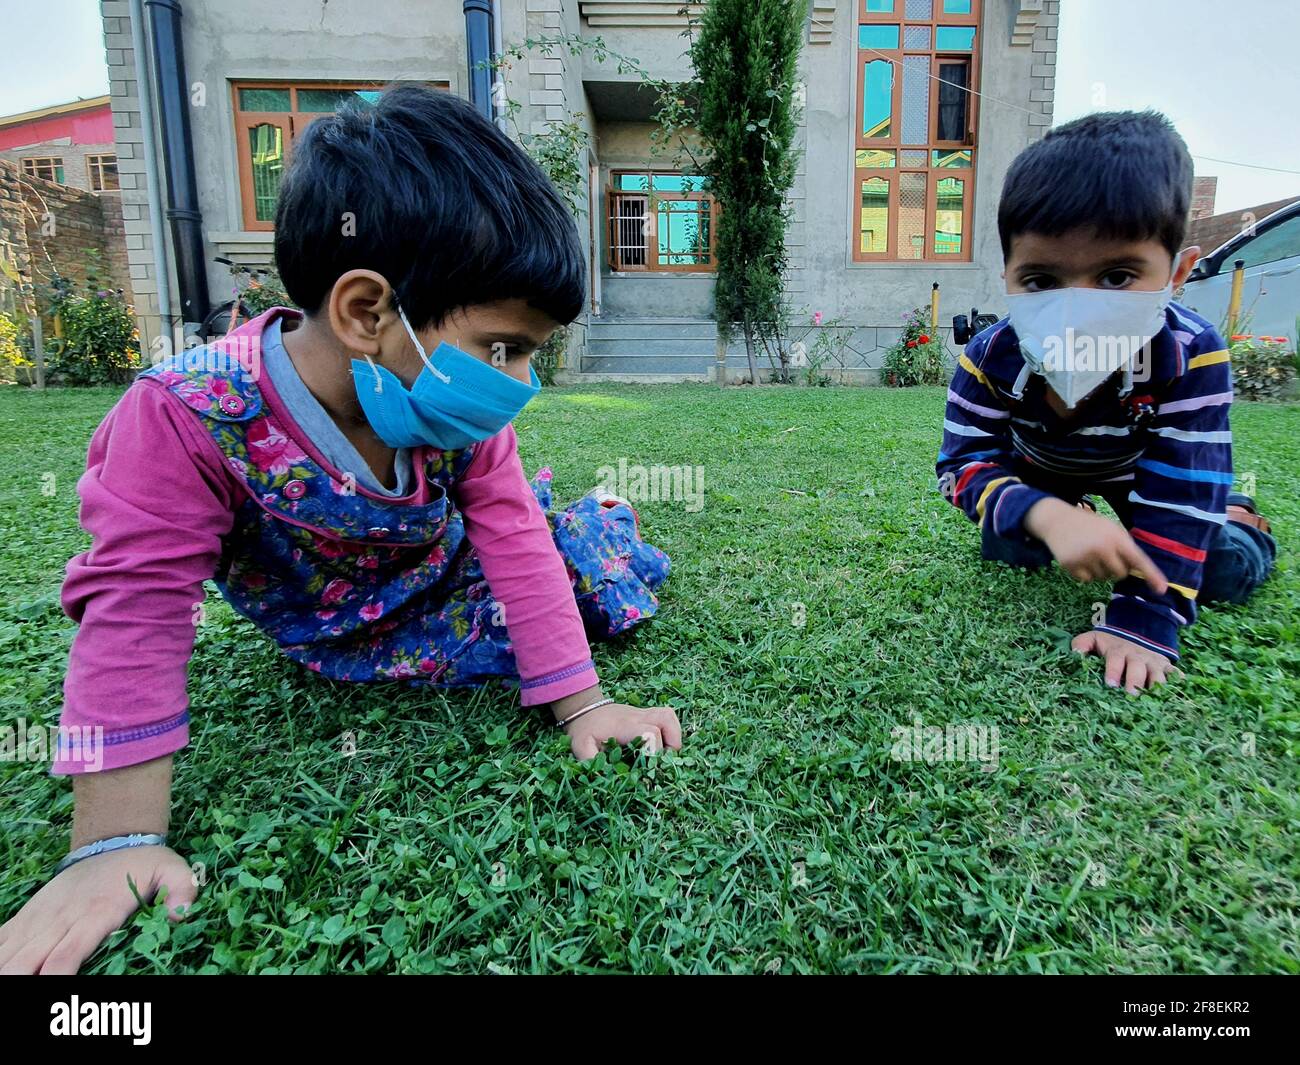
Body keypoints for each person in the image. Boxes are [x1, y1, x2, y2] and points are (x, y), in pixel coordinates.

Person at [0, 86, 680, 975]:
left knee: (578, 568)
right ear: (367, 311)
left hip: (449, 582)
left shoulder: (467, 420)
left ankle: (593, 523)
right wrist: (114, 840)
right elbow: (134, 608)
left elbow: (510, 535)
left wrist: (586, 705)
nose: (522, 383)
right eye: (506, 348)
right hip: (338, 632)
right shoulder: (185, 419)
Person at [937, 111, 1276, 694]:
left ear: (1178, 274)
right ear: (1009, 276)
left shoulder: (1191, 354)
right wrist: (1045, 514)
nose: (1078, 309)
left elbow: (1180, 489)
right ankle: (1075, 513)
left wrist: (1145, 620)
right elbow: (961, 465)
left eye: (1117, 276)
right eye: (1042, 280)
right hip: (1041, 469)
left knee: (1214, 565)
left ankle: (1240, 519)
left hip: (1141, 473)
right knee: (1009, 547)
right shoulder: (991, 356)